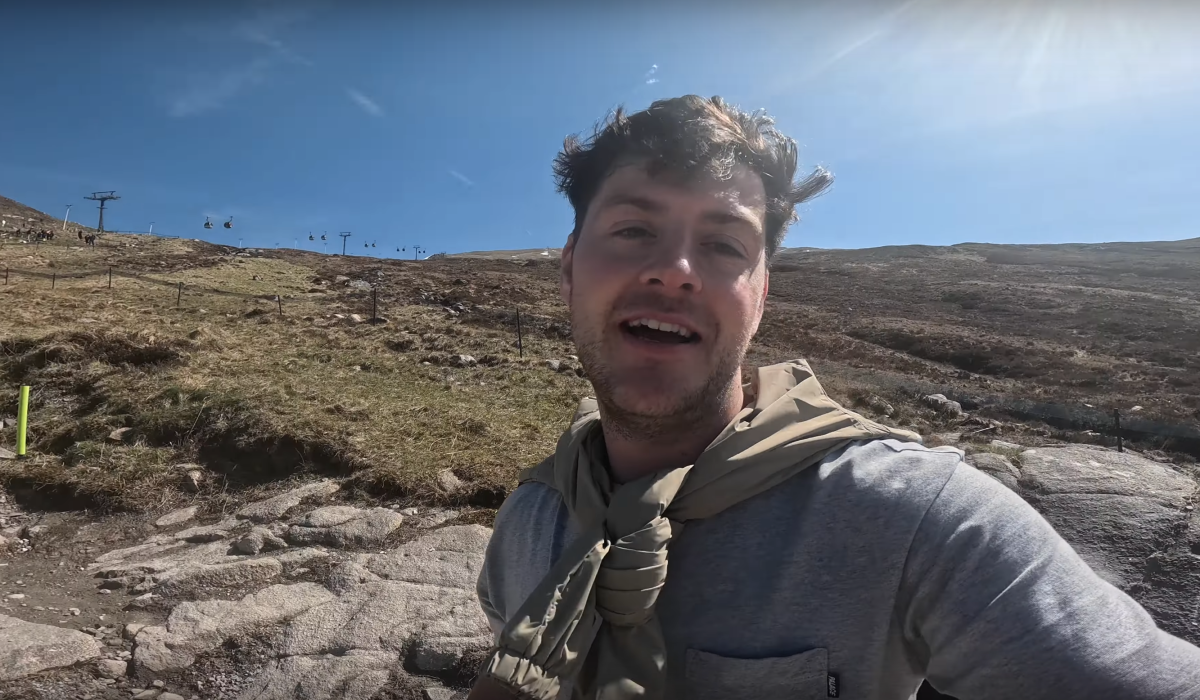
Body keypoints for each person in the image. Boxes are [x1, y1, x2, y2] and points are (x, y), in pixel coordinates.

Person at [472, 95, 1200, 700]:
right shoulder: (532, 516)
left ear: (760, 295)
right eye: (633, 229)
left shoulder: (916, 515)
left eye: (725, 246)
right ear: (568, 269)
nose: (676, 271)